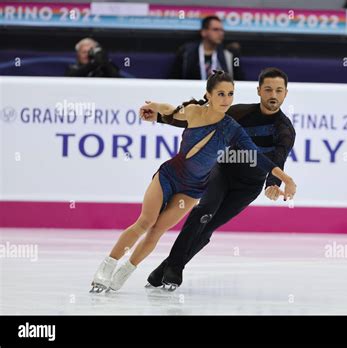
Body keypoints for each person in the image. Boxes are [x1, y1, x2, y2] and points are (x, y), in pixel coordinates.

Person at [90, 70, 296, 293]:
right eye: (221, 94)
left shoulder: (251, 129)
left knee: (178, 229)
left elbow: (265, 157)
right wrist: (156, 112)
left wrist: (279, 181)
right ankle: (112, 266)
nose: (226, 100)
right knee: (163, 219)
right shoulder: (214, 111)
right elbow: (181, 116)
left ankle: (146, 270)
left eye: (230, 94)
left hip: (215, 188)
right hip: (193, 174)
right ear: (208, 95)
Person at [170, 16, 244, 80]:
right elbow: (174, 80)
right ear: (203, 32)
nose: (221, 33)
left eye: (222, 30)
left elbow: (240, 81)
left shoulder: (231, 55)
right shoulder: (185, 53)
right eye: (215, 29)